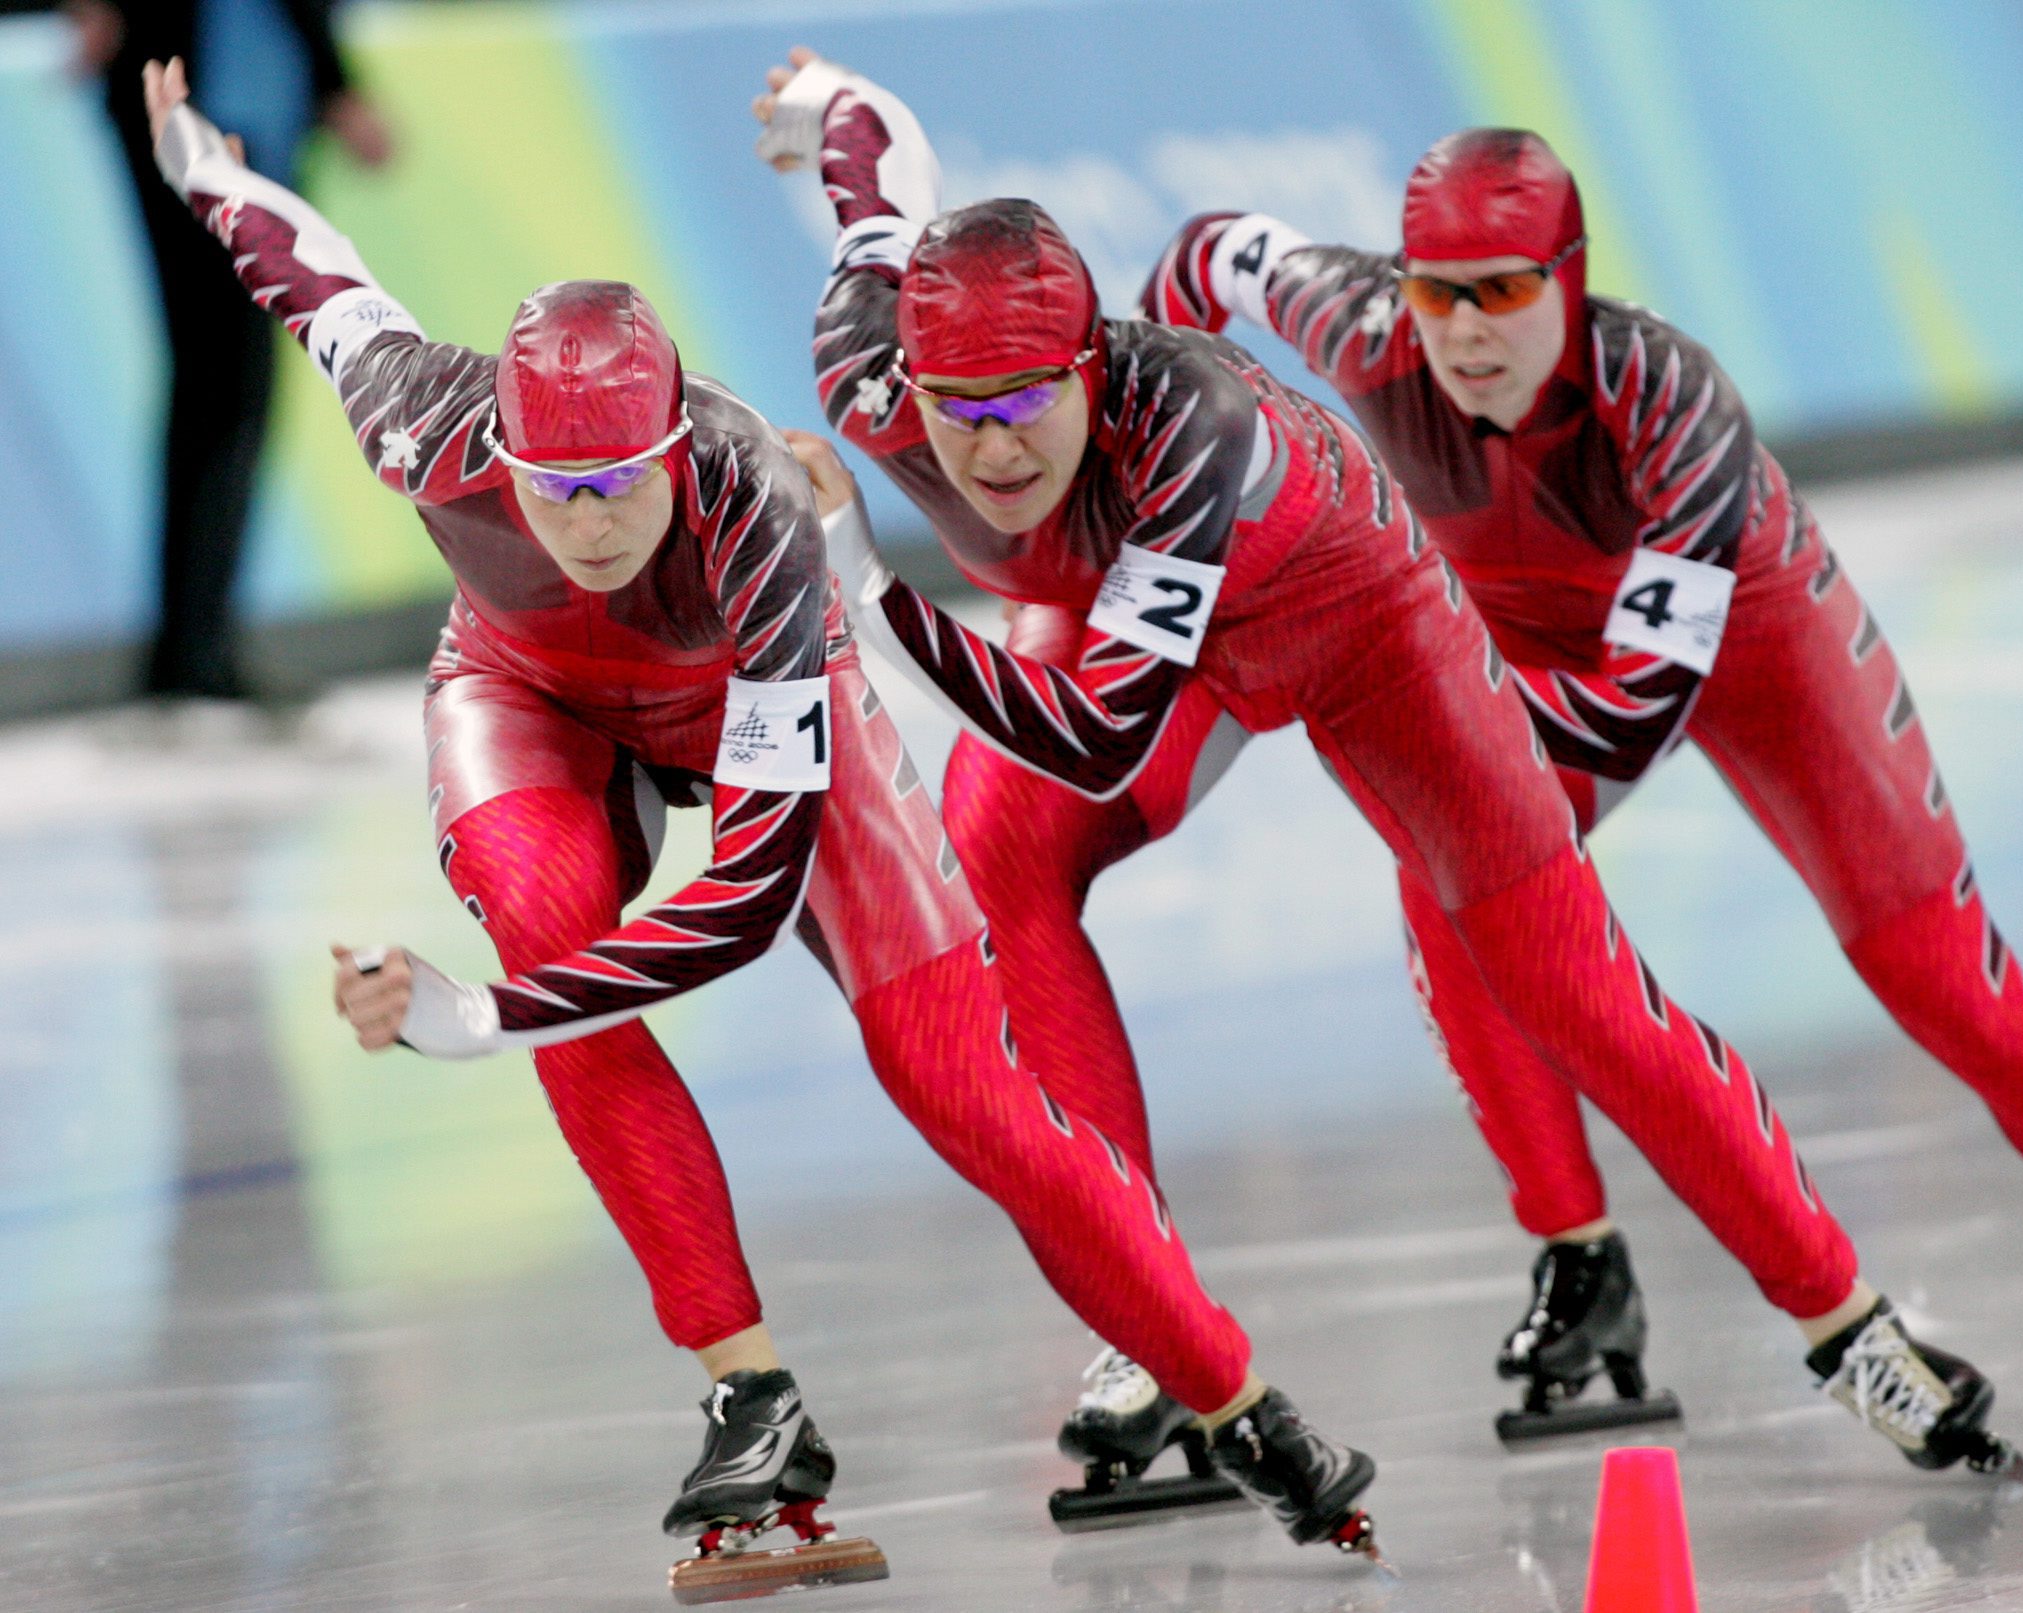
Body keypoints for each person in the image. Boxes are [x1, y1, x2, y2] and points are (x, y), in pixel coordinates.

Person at [139, 56, 1382, 1559]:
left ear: (676, 447)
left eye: (621, 483)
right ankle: (752, 1393)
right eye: (551, 489)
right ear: (501, 458)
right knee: (548, 921)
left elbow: (744, 902)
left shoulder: (759, 520)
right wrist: (206, 168)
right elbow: (313, 274)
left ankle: (1237, 1396)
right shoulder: (421, 416)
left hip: (753, 696)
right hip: (528, 690)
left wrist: (483, 1019)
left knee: (959, 1079)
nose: (588, 523)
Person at [754, 45, 2023, 1488]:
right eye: (957, 408)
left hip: (1364, 628)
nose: (991, 451)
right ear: (899, 379)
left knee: (1570, 985)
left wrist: (872, 587)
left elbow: (1099, 734)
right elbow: (880, 177)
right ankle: (1151, 1324)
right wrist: (825, 100)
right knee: (996, 862)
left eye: (1027, 402)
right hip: (1139, 620)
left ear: (1093, 367)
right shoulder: (865, 362)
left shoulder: (1191, 424)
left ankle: (1845, 1323)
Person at [1129, 127, 2023, 1422]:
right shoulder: (1362, 323)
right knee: (1449, 880)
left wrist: (1453, 732)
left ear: (1570, 279)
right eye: (1439, 291)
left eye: (1506, 291)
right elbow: (1207, 258)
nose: (1467, 330)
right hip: (1537, 644)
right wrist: (1158, 460)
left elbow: (1630, 712)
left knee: (1937, 972)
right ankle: (1579, 1257)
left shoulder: (1667, 397)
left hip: (1755, 646)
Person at [44, 0, 393, 702]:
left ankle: (197, 643)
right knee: (223, 379)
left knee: (224, 381)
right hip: (198, 97)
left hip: (244, 101)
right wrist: (338, 82)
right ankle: (194, 650)